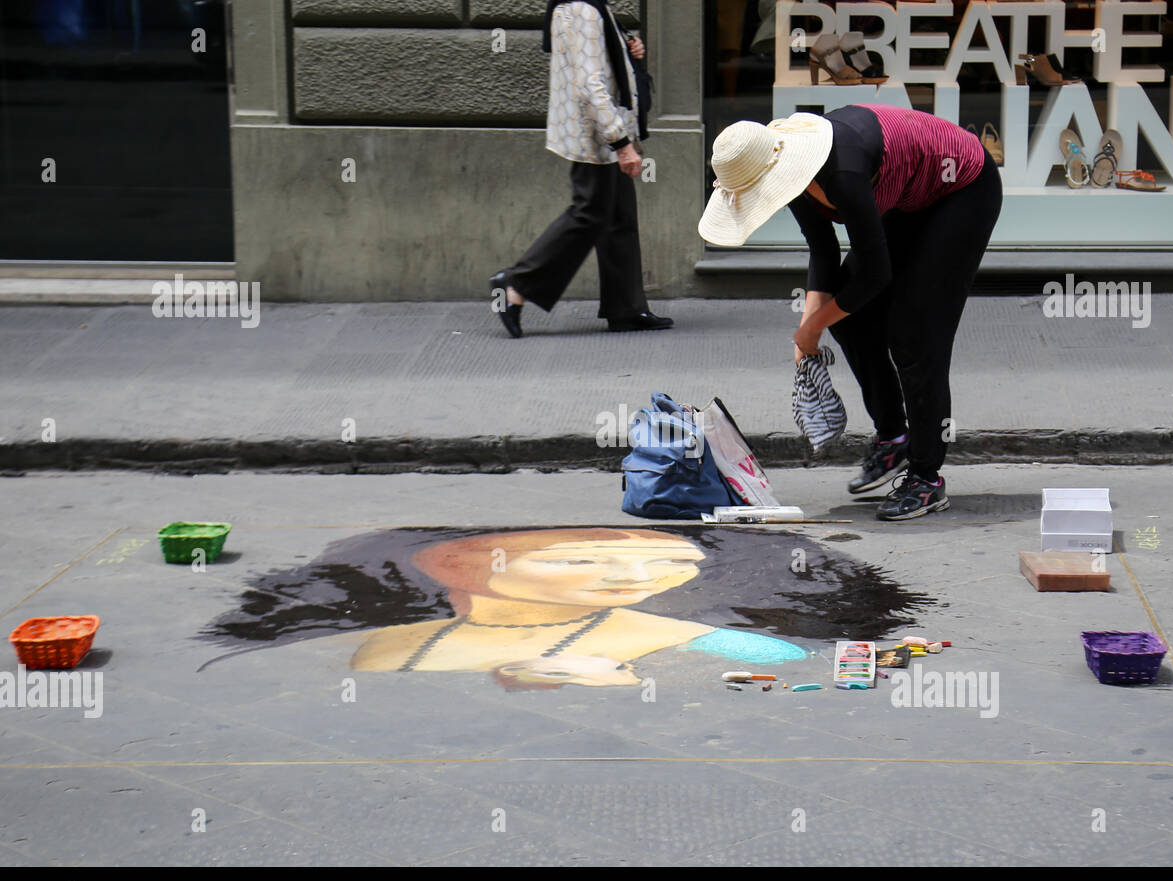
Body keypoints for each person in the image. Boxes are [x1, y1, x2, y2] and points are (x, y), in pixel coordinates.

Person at [698, 104, 1002, 520]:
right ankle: (894, 437)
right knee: (851, 317)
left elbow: (876, 274)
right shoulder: (792, 176)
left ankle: (927, 477)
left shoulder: (840, 171)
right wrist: (809, 329)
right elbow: (823, 251)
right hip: (910, 194)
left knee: (915, 332)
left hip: (963, 188)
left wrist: (810, 331)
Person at [350, 528, 806, 685]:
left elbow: (795, 666)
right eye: (582, 559)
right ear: (463, 565)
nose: (635, 578)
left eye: (672, 562)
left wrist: (621, 684)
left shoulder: (689, 638)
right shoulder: (387, 643)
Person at [489, 0, 672, 338]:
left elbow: (599, 64)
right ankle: (515, 284)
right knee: (588, 214)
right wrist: (621, 142)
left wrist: (630, 54)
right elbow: (590, 85)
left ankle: (626, 308)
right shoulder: (582, 9)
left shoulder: (588, 5)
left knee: (618, 218)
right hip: (596, 136)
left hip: (602, 131)